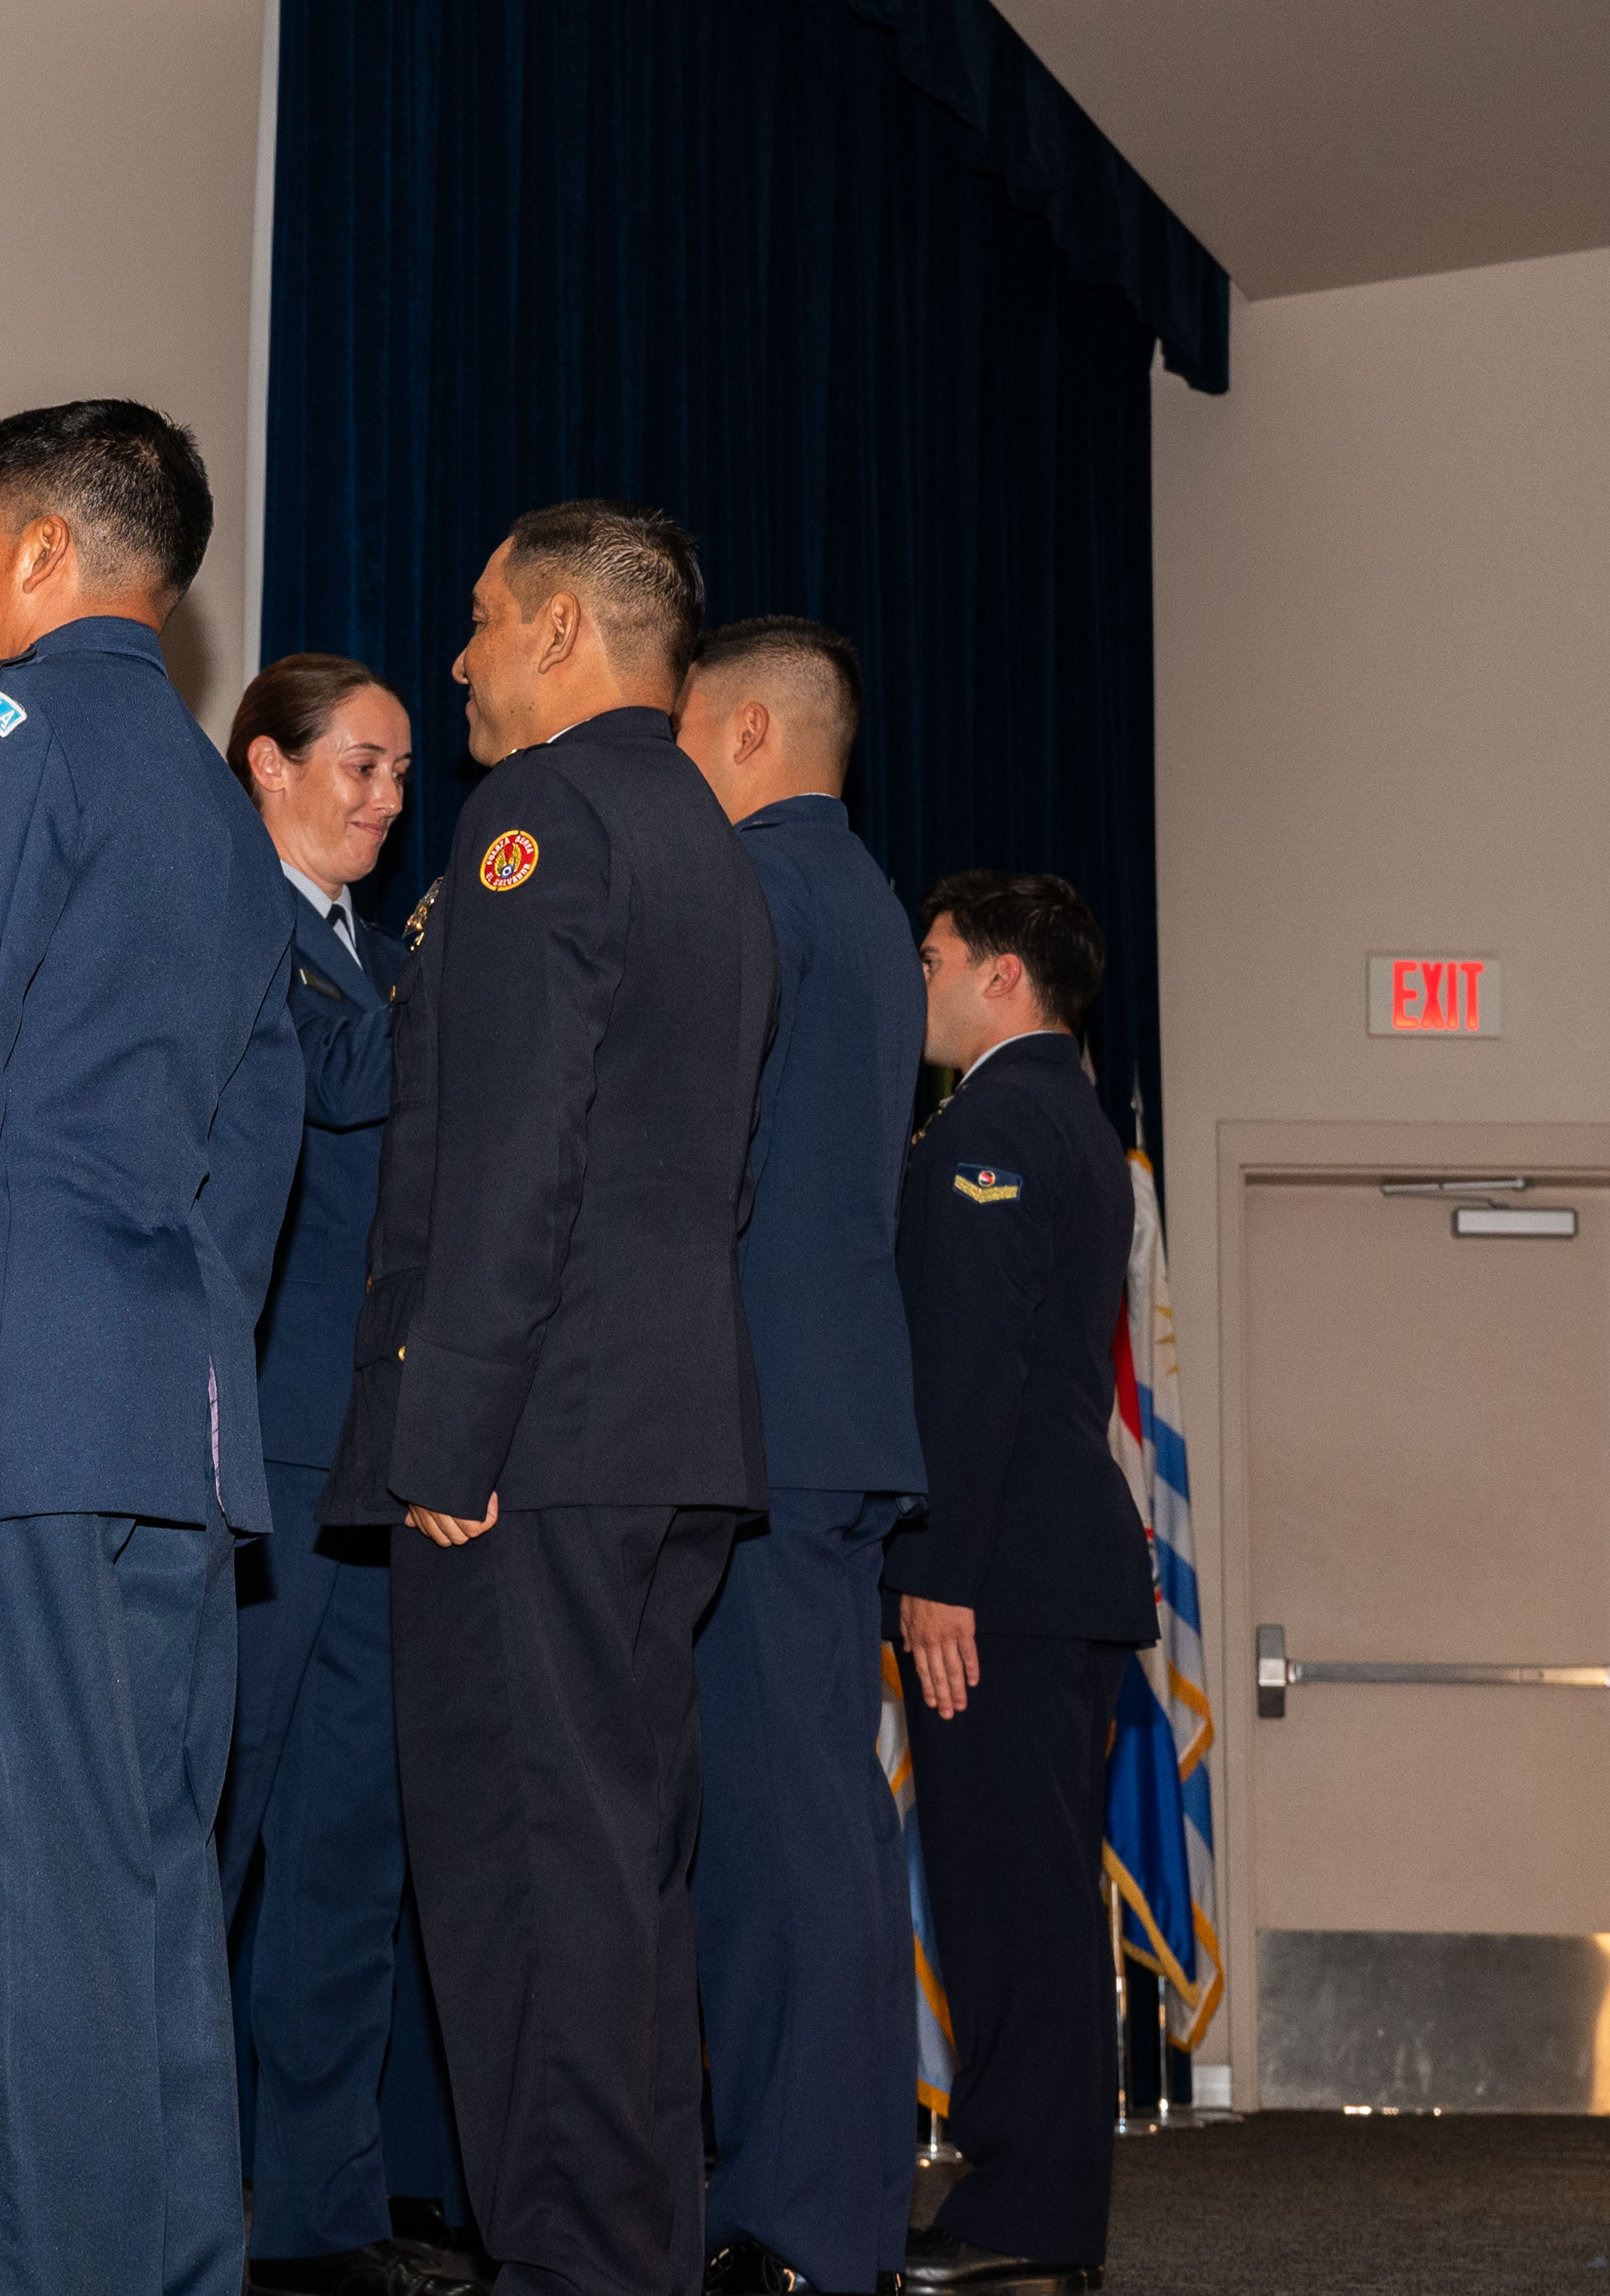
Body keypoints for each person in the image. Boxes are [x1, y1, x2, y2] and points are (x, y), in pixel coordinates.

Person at [0, 402, 302, 2296]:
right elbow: (250, 1145)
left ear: (32, 549)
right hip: (164, 1427)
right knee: (147, 1912)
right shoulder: (210, 801)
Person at [322, 503, 778, 2296]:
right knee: (618, 1886)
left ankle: (577, 2271)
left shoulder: (537, 822)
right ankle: (629, 2256)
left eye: (487, 619)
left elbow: (517, 1161)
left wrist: (452, 1432)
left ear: (570, 626)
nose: (460, 660)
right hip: (661, 1434)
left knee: (527, 1890)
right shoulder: (708, 841)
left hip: (536, 1445)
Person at [212, 656, 472, 2296]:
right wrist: (470, 959)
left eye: (395, 773)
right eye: (358, 768)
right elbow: (352, 1085)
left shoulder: (378, 954)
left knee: (343, 1852)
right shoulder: (229, 922)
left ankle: (320, 2207)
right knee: (213, 1834)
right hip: (256, 1445)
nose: (386, 796)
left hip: (372, 1457)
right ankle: (167, 2197)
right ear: (265, 767)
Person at [674, 618, 928, 2296]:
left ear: (751, 730)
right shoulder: (873, 903)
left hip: (760, 1417)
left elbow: (700, 1161)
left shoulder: (758, 893)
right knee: (815, 1825)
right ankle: (809, 2201)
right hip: (825, 1416)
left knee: (781, 1844)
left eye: (687, 726)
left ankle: (795, 2218)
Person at [883, 873, 1156, 2295]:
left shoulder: (994, 1122)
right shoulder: (1067, 1116)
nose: (913, 976)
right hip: (1050, 1574)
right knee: (1025, 1902)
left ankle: (1025, 2224)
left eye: (931, 955)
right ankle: (1027, 2208)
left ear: (1002, 975)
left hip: (1006, 1581)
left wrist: (934, 1575)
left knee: (1014, 1909)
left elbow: (970, 1373)